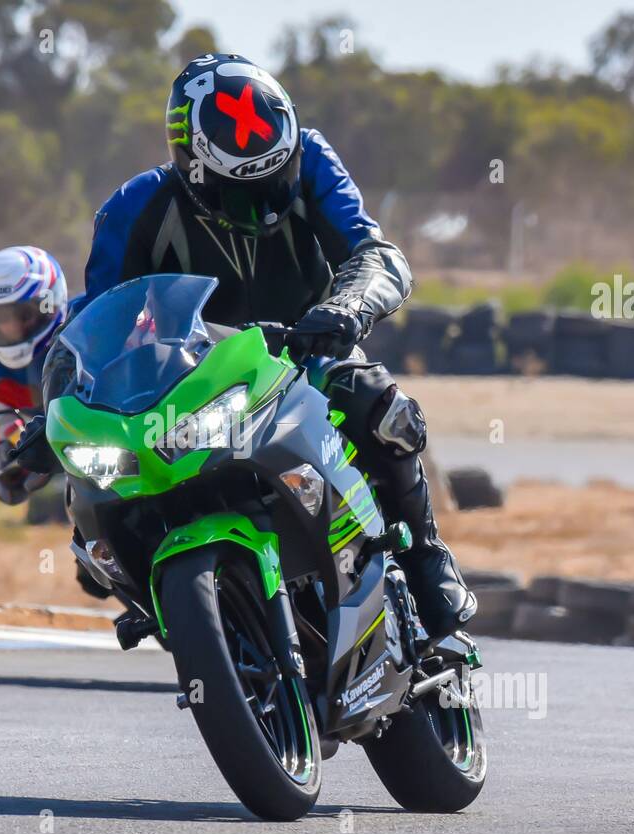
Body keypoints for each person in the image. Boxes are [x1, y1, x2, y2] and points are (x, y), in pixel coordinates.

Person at [62, 53, 475, 639]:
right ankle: (168, 605)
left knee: (376, 400)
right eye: (242, 191)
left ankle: (428, 556)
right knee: (90, 489)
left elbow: (375, 253)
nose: (264, 204)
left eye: (273, 182)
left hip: (306, 358)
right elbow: (98, 321)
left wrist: (344, 307)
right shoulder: (135, 209)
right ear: (192, 166)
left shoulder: (310, 156)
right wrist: (56, 404)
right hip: (191, 386)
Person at [0, 245, 66, 505]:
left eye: (22, 314)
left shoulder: (89, 333)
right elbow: (11, 488)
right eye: (0, 318)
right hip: (65, 473)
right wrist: (3, 458)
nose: (10, 326)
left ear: (49, 305)